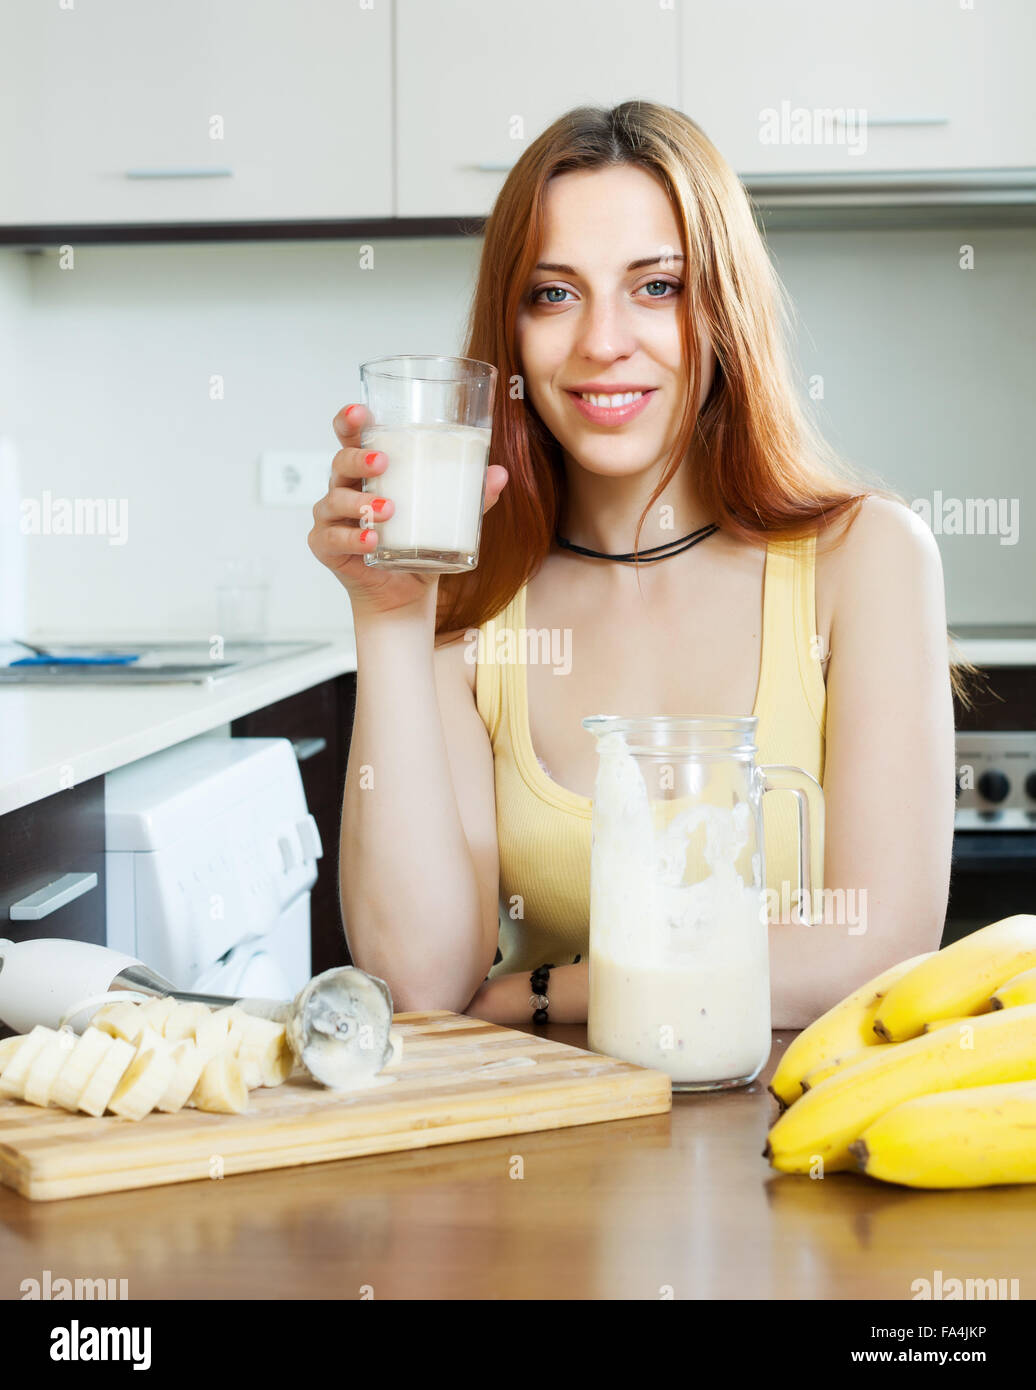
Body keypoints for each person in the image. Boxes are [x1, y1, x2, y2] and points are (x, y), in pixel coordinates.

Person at [309, 101, 973, 1031]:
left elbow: (879, 948)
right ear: (513, 335)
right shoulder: (471, 599)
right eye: (554, 293)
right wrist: (387, 619)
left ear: (723, 310)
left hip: (797, 1141)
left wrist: (539, 992)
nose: (602, 342)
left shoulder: (867, 559)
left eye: (656, 287)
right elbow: (421, 985)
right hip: (540, 1157)